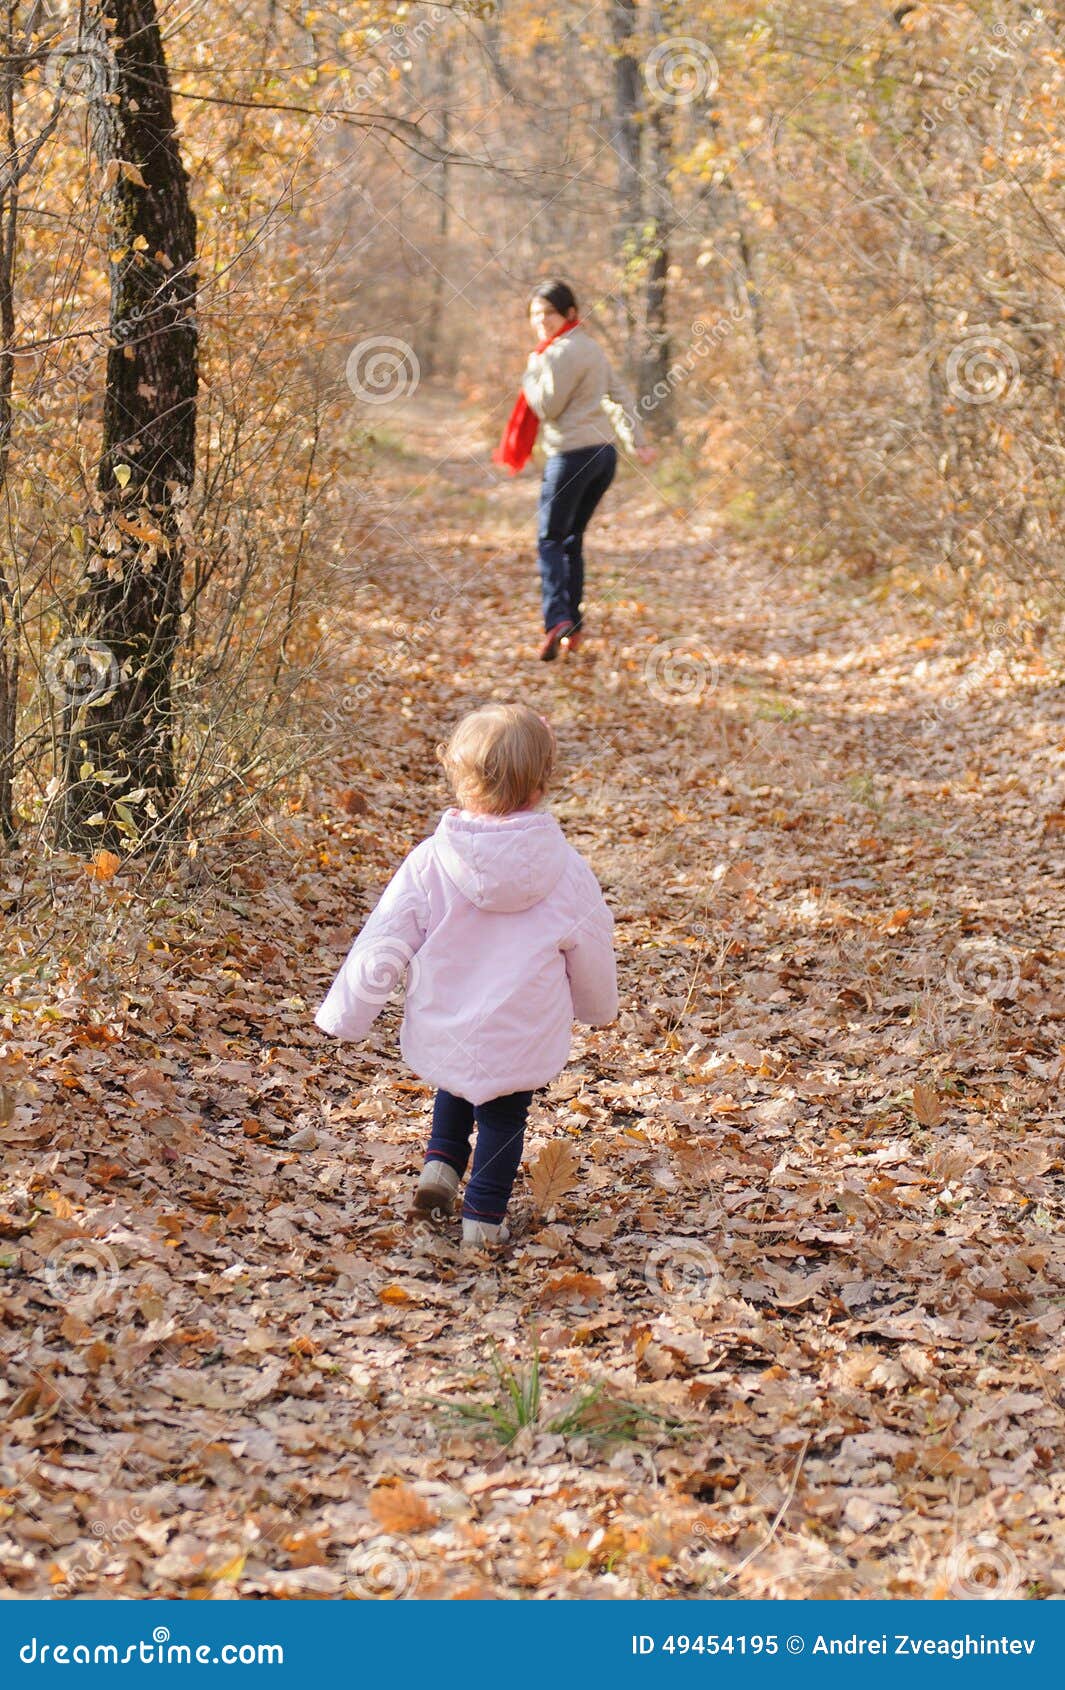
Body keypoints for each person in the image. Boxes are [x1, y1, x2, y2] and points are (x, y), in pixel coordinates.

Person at [313, 703, 618, 1248]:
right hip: (520, 1027)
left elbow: (386, 936)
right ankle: (483, 1217)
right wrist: (597, 1007)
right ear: (540, 785)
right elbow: (591, 939)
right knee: (505, 1114)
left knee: (454, 1082)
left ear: (460, 778)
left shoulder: (431, 860)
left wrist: (347, 1012)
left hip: (446, 1015)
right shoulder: (567, 869)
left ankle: (440, 1170)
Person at [494, 279, 657, 662]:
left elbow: (547, 406)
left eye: (549, 313)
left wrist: (530, 373)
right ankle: (574, 627)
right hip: (603, 456)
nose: (541, 321)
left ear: (569, 313)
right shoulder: (592, 348)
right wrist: (636, 440)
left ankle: (557, 619)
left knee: (550, 539)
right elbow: (620, 395)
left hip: (572, 456)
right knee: (571, 540)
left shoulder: (556, 353)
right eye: (535, 314)